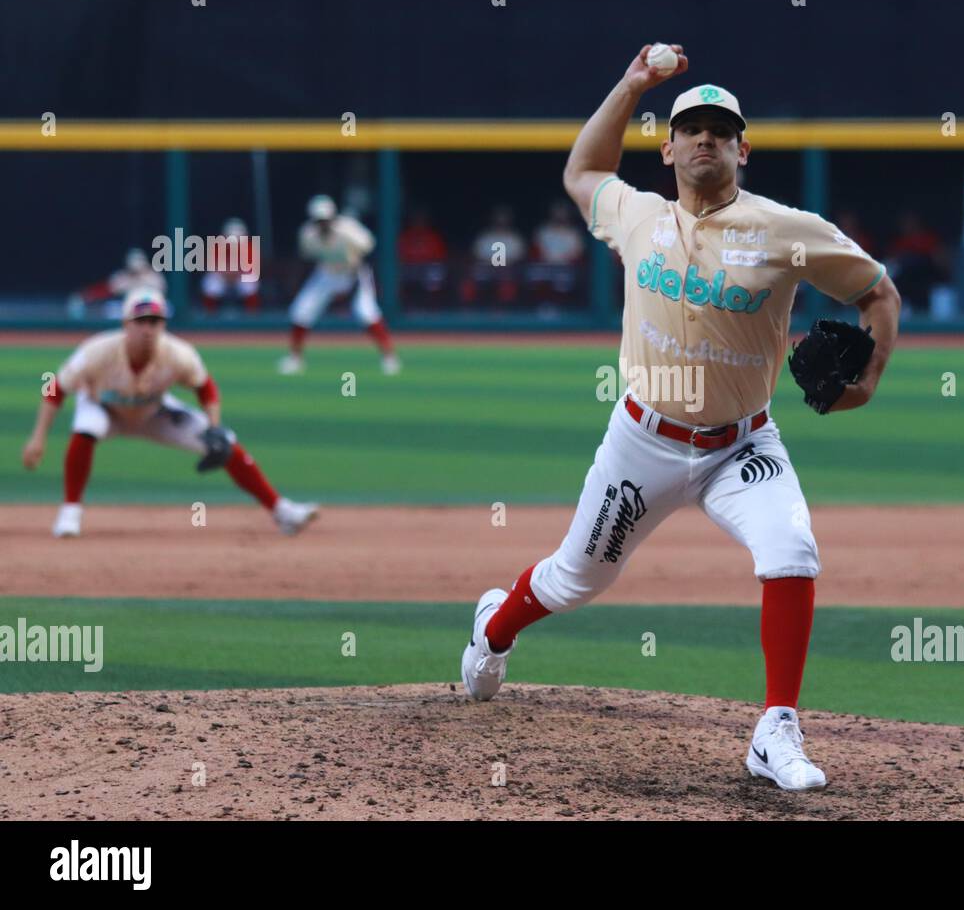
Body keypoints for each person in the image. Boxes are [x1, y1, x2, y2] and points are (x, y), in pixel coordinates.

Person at [459, 46, 901, 792]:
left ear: (742, 149)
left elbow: (878, 292)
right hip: (643, 441)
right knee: (575, 580)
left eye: (720, 132)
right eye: (691, 128)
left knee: (791, 547)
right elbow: (581, 173)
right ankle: (494, 627)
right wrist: (632, 85)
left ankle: (775, 728)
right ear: (666, 147)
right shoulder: (636, 215)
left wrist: (872, 376)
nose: (705, 140)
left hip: (743, 445)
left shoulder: (787, 230)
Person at [22, 287, 319, 538]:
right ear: (126, 324)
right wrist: (38, 438)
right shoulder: (97, 351)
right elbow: (55, 388)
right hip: (104, 407)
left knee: (227, 443)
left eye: (155, 321)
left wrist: (214, 427)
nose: (148, 329)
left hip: (153, 412)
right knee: (87, 428)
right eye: (141, 321)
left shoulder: (179, 353)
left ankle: (281, 511)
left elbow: (206, 388)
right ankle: (70, 512)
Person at [279, 195, 400, 375]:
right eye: (319, 220)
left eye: (326, 220)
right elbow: (306, 259)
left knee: (367, 312)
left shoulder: (348, 230)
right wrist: (297, 283)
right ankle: (295, 359)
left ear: (333, 218)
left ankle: (389, 357)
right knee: (301, 310)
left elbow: (368, 252)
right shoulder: (308, 234)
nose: (323, 224)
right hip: (326, 273)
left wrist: (357, 285)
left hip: (353, 273)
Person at [67, 248, 166, 320]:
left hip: (150, 307)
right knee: (111, 309)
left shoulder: (154, 277)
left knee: (167, 309)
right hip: (128, 308)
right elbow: (106, 290)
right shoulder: (121, 277)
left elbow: (162, 294)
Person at [200, 218, 261, 315]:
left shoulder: (249, 247)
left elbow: (250, 268)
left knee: (251, 281)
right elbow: (212, 267)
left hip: (240, 278)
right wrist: (229, 273)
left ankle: (252, 314)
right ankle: (210, 314)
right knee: (210, 283)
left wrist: (233, 272)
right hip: (223, 278)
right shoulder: (218, 246)